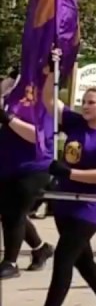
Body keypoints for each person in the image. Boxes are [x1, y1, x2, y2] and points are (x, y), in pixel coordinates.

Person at [13, 87, 96, 306]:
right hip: (65, 202)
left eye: (91, 102)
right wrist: (54, 62)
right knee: (83, 259)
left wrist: (69, 173)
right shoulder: (77, 123)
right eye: (84, 101)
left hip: (90, 206)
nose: (85, 106)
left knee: (64, 257)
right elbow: (50, 99)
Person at [0, 72, 56, 279]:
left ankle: (10, 262)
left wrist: (9, 119)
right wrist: (8, 82)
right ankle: (40, 248)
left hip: (33, 167)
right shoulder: (13, 94)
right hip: (7, 163)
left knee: (12, 212)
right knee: (10, 210)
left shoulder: (48, 101)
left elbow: (38, 137)